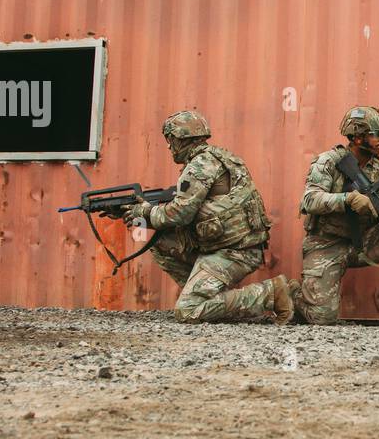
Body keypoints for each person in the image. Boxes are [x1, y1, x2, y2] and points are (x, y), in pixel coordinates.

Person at [123, 110, 292, 324]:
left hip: (235, 252)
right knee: (161, 241)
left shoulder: (200, 166)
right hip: (226, 246)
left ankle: (270, 294)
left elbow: (179, 214)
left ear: (183, 139)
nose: (168, 146)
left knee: (187, 312)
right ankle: (206, 296)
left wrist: (145, 212)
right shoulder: (217, 157)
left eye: (171, 140)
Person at [292, 106, 379, 327]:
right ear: (357, 137)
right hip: (326, 243)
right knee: (322, 319)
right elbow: (309, 200)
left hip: (363, 243)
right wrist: (346, 199)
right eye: (376, 134)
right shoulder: (329, 162)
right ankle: (294, 296)